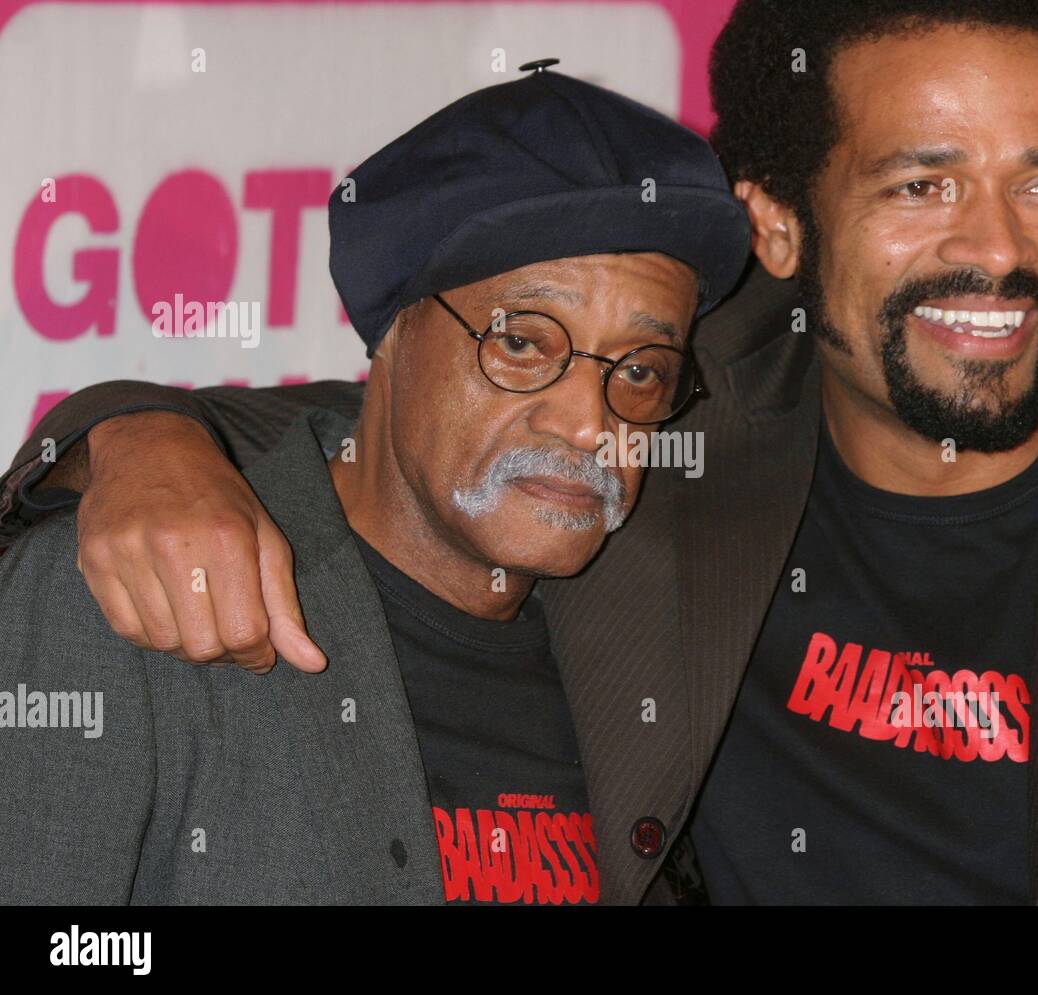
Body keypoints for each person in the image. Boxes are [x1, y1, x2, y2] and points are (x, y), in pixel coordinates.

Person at [5, 1, 1038, 904]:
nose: (999, 247)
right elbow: (400, 417)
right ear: (781, 230)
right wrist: (136, 433)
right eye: (921, 183)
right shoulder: (681, 431)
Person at [0, 64, 752, 904]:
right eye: (521, 343)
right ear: (393, 328)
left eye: (642, 369)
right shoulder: (135, 591)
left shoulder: (662, 649)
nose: (587, 423)